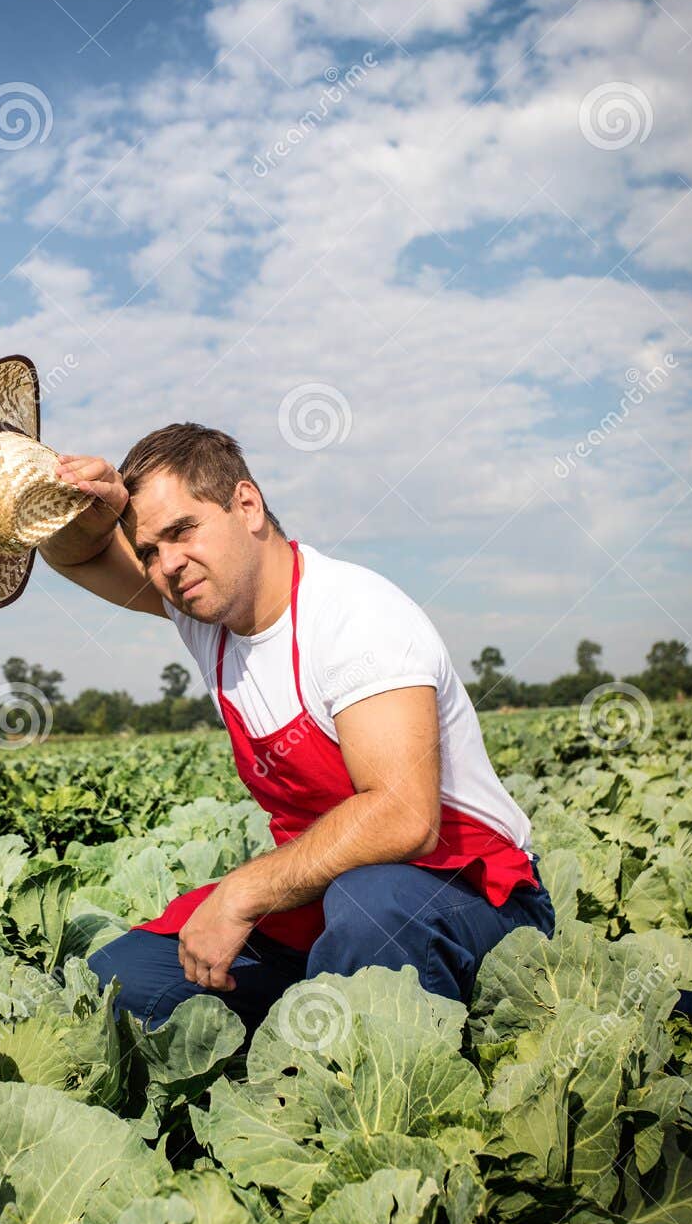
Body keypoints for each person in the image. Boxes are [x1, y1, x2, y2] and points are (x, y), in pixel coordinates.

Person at [40, 423, 555, 1037]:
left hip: (469, 896)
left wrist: (239, 895)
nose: (167, 565)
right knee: (121, 988)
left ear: (247, 505)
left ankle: (374, 1061)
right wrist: (91, 509)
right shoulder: (205, 614)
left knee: (372, 908)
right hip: (322, 896)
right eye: (149, 550)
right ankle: (306, 1026)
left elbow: (404, 818)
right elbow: (76, 554)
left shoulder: (355, 616)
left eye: (181, 530)